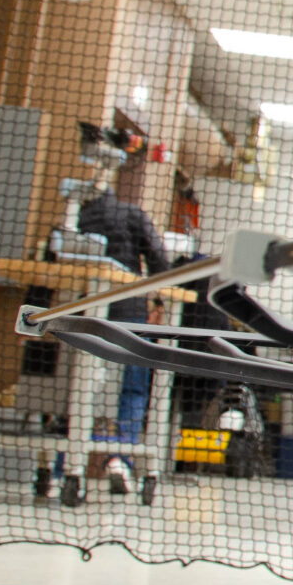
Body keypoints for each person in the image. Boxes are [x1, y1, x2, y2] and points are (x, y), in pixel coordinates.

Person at [77, 165, 169, 492]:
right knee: (131, 390)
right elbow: (160, 261)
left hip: (82, 314)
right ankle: (121, 456)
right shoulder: (132, 215)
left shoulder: (76, 219)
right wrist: (160, 301)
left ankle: (66, 462)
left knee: (80, 389)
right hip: (129, 316)